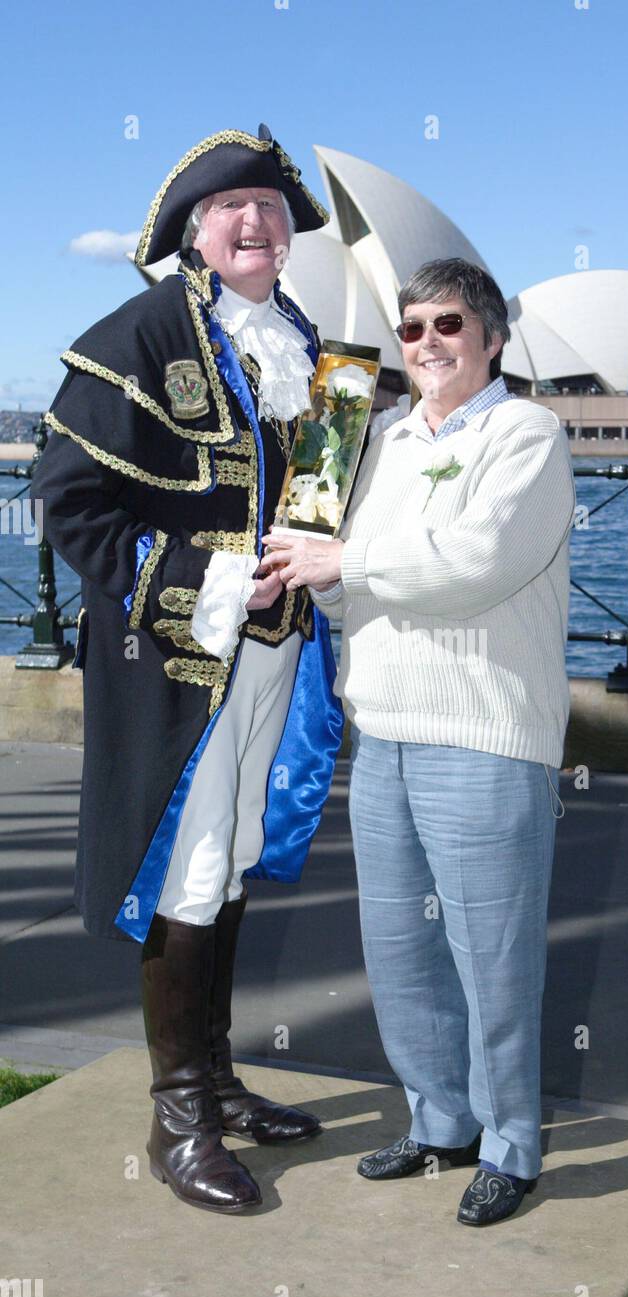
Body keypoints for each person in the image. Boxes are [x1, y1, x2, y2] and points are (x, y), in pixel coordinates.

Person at [30, 125, 344, 1215]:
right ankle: (177, 1123)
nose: (254, 222)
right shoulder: (138, 335)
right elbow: (69, 502)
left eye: (268, 206)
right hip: (178, 657)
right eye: (231, 211)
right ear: (193, 235)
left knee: (237, 855)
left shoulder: (297, 338)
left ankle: (213, 1078)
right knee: (190, 865)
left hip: (277, 650)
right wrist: (202, 586)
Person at [262, 257, 575, 1226]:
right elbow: (360, 583)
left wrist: (343, 557)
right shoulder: (381, 437)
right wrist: (296, 563)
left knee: (491, 955)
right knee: (399, 949)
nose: (428, 343)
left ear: (489, 339)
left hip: (481, 731)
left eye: (448, 325)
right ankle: (438, 1121)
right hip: (384, 725)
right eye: (411, 330)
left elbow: (473, 565)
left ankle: (509, 1142)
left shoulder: (527, 433)